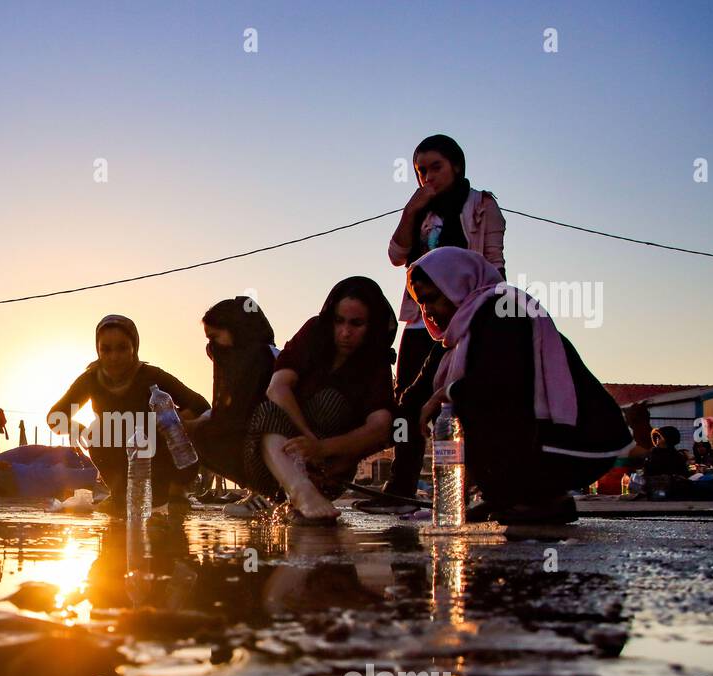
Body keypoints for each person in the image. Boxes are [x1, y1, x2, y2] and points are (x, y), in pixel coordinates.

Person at [404, 247, 633, 524]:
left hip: (579, 440)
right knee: (459, 407)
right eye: (421, 302)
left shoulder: (504, 308)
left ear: (459, 283)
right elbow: (413, 398)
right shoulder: (456, 339)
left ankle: (540, 499)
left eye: (432, 298)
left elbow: (501, 382)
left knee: (471, 402)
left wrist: (446, 393)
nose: (427, 311)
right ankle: (508, 497)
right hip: (540, 441)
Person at [386, 135, 506, 503]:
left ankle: (474, 488)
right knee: (406, 400)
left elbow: (495, 264)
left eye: (435, 167)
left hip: (463, 318)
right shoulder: (421, 211)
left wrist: (492, 316)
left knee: (457, 399)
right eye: (421, 171)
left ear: (456, 165)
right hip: (421, 319)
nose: (428, 177)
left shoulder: (481, 206)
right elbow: (395, 255)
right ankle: (400, 485)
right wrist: (410, 211)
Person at [242, 277, 397, 523]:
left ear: (372, 325)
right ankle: (298, 492)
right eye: (339, 321)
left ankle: (303, 497)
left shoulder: (376, 361)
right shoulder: (314, 333)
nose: (345, 333)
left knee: (330, 400)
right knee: (267, 411)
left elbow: (381, 428)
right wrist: (309, 442)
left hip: (330, 472)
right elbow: (277, 387)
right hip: (278, 460)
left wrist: (324, 451)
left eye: (356, 324)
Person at [49, 314, 209, 511]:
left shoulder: (151, 377)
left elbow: (201, 405)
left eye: (122, 348)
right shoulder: (91, 379)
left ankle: (175, 490)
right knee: (99, 431)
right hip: (120, 458)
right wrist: (81, 430)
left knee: (163, 426)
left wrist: (175, 423)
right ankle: (119, 492)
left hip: (162, 457)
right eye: (106, 350)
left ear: (134, 348)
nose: (114, 357)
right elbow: (55, 416)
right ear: (98, 351)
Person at [185, 296, 277, 514]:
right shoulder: (248, 360)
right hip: (267, 449)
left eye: (215, 337)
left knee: (202, 433)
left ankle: (270, 495)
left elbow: (237, 419)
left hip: (285, 448)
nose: (212, 347)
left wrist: (193, 427)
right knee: (200, 429)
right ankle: (260, 492)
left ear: (236, 329)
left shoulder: (263, 360)